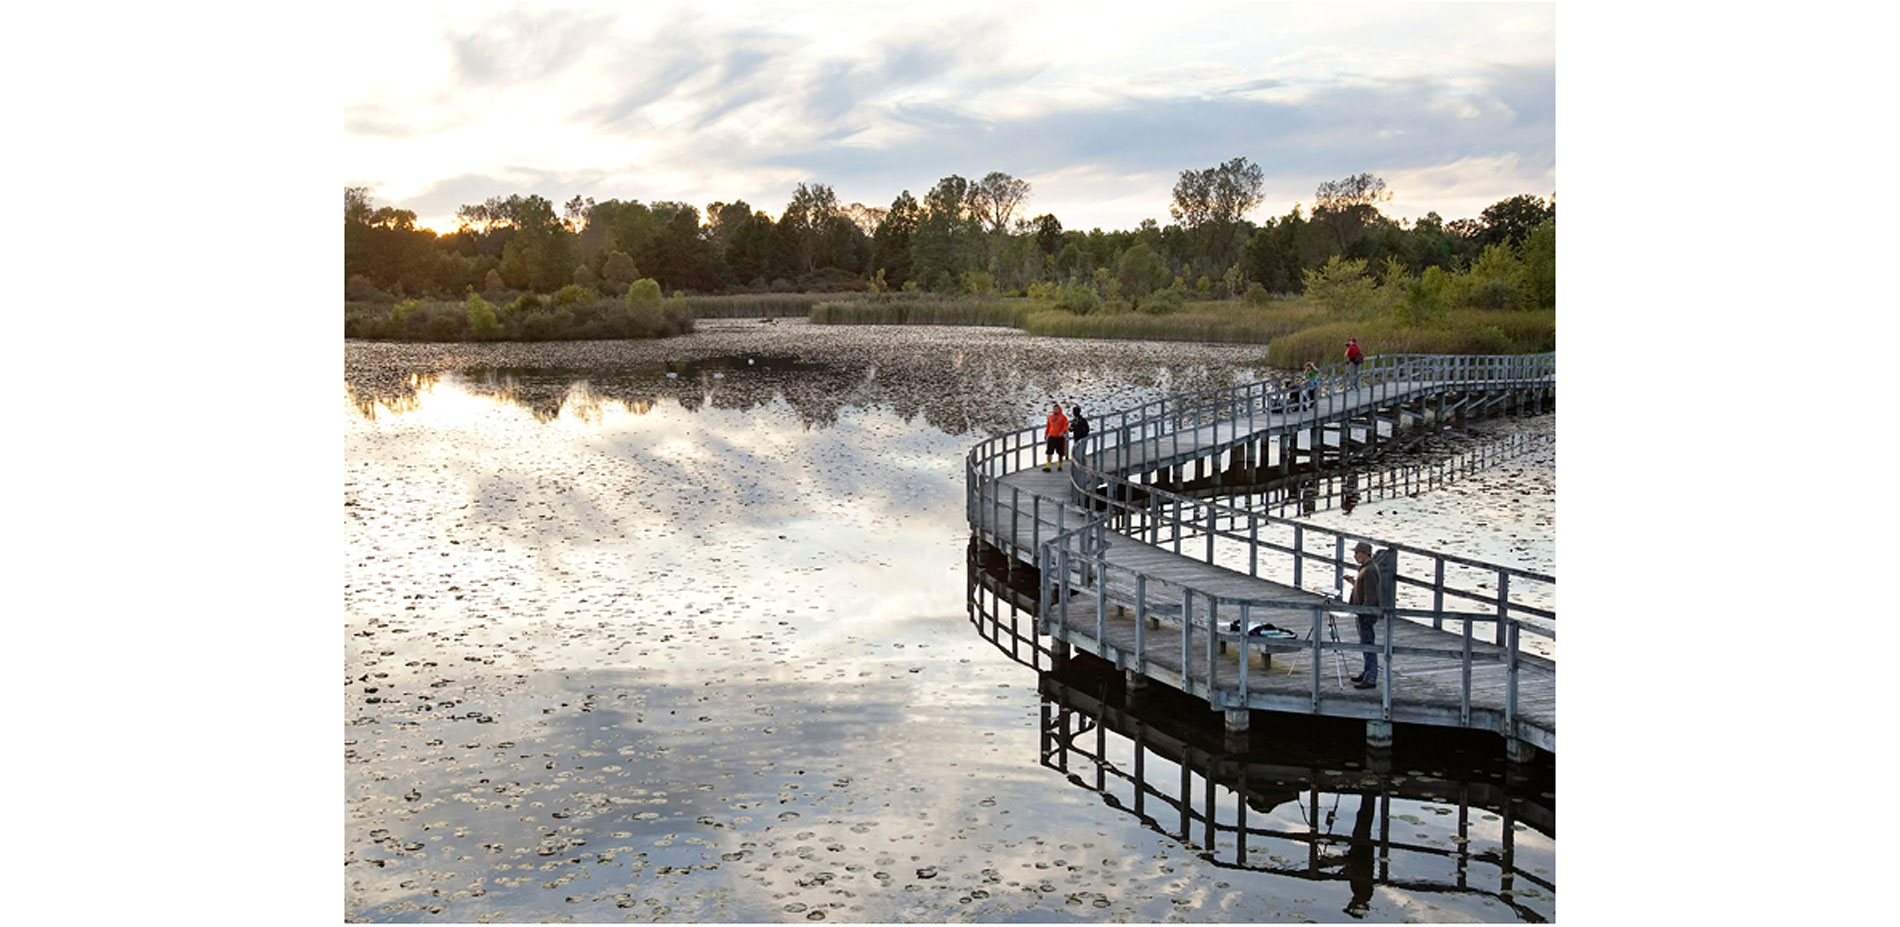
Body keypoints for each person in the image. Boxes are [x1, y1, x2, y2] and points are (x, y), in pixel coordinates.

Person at [1342, 540, 1380, 689]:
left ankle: (1370, 678)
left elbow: (1371, 596)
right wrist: (1353, 582)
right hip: (1361, 613)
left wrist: (1365, 612)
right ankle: (1366, 673)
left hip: (1366, 614)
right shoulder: (1364, 569)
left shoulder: (1370, 570)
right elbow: (1363, 588)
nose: (1355, 555)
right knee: (1365, 644)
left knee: (1368, 645)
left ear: (1365, 553)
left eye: (1357, 553)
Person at [1042, 402, 1069, 471]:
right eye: (1054, 409)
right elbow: (1048, 426)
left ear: (1059, 409)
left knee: (1060, 453)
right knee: (1049, 452)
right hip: (1051, 436)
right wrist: (1046, 434)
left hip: (1059, 437)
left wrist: (1063, 432)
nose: (1055, 410)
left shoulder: (1063, 417)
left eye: (1057, 409)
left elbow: (1066, 426)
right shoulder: (1050, 417)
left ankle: (1059, 466)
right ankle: (1048, 466)